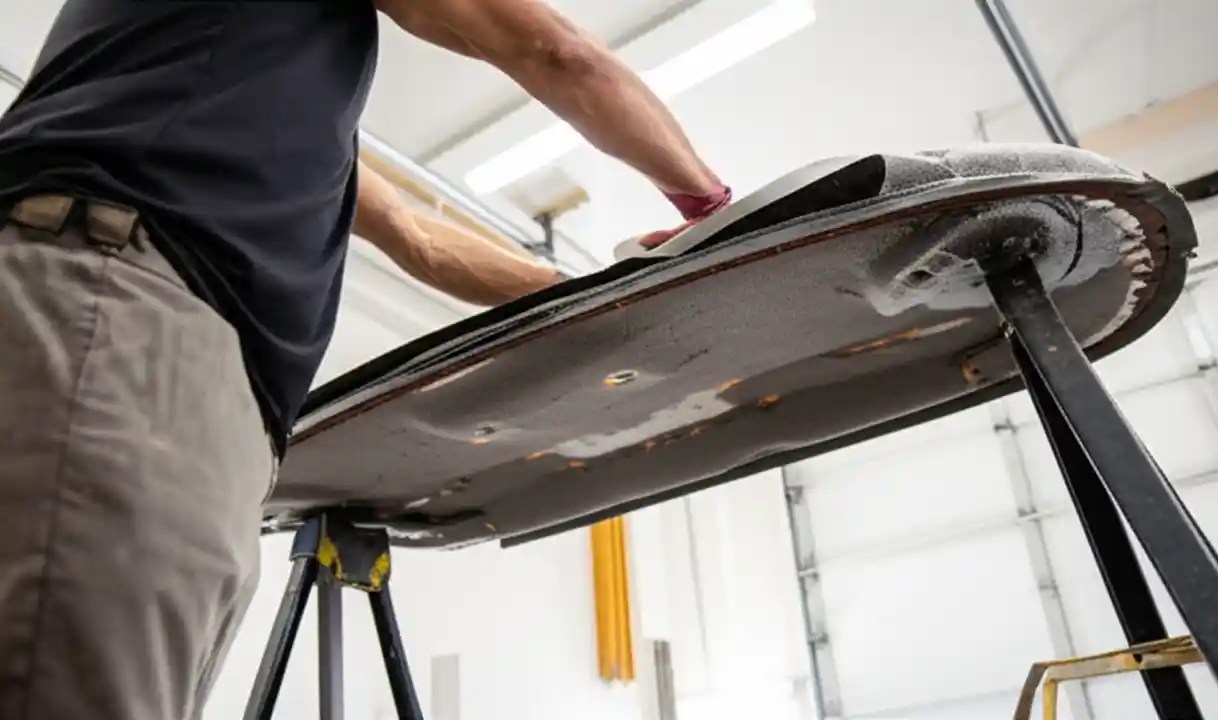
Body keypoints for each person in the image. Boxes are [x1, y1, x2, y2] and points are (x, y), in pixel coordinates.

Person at [0, 0, 732, 717]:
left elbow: (420, 240)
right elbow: (554, 50)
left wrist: (589, 294)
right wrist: (710, 206)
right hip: (115, 313)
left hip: (158, 356)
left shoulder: (248, 85)